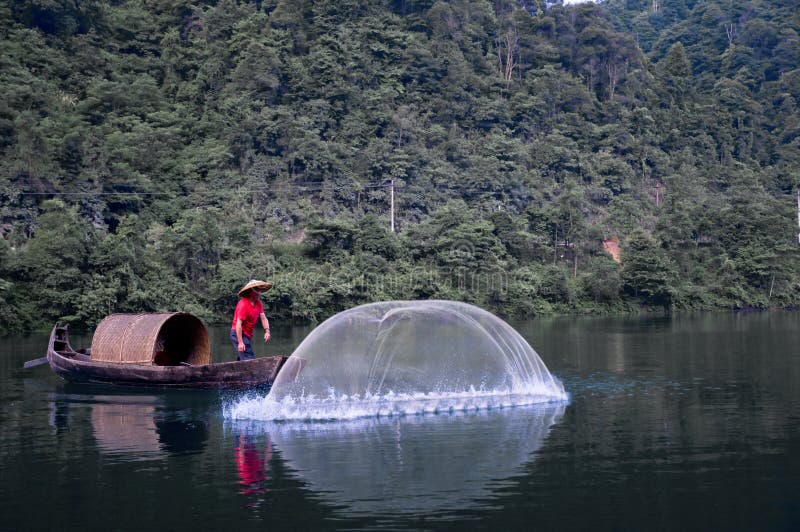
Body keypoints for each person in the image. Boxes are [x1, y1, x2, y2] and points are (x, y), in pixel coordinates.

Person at [230, 279, 272, 361]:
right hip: (238, 333)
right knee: (249, 357)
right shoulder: (243, 304)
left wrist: (267, 331)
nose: (258, 292)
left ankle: (238, 371)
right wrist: (240, 342)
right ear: (250, 292)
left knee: (242, 356)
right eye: (256, 290)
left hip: (247, 334)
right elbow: (238, 324)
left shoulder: (258, 303)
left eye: (259, 290)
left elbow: (263, 317)